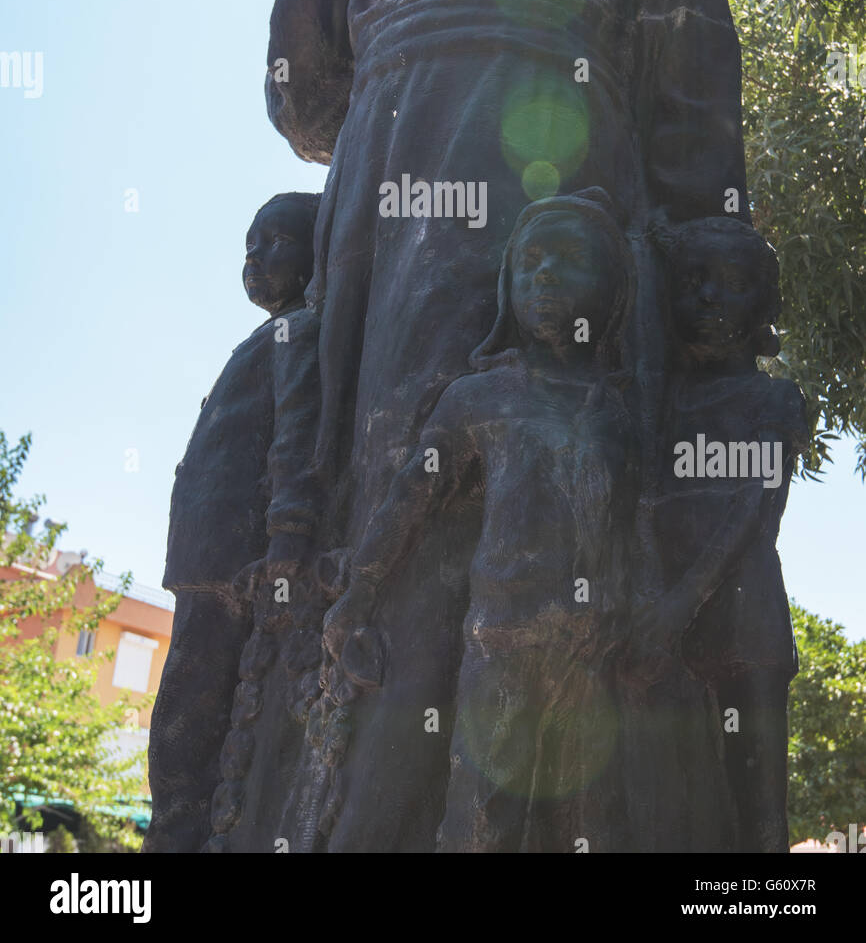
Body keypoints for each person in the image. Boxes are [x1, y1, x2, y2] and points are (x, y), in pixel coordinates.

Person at [264, 0, 752, 850]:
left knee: (490, 545)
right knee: (352, 527)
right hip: (368, 250)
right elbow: (302, 110)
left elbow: (692, 104)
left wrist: (709, 288)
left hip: (541, 224)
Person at [322, 190, 638, 853]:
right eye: (529, 261)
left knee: (590, 827)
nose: (544, 274)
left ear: (612, 290)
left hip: (599, 649)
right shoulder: (480, 396)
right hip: (505, 643)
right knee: (484, 823)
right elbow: (410, 497)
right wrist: (359, 593)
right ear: (507, 287)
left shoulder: (622, 414)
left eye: (569, 259)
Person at [143, 192, 319, 853]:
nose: (254, 255)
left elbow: (298, 434)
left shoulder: (298, 331)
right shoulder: (271, 334)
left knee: (186, 726)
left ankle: (179, 841)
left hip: (229, 565)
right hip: (204, 560)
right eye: (250, 241)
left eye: (274, 239)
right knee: (183, 721)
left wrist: (289, 533)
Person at [634, 216, 808, 851]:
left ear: (762, 303)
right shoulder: (658, 399)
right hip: (655, 617)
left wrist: (677, 605)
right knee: (671, 803)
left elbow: (751, 516)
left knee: (756, 812)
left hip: (743, 623)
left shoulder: (775, 400)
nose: (709, 297)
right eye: (692, 280)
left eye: (733, 283)